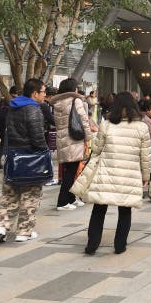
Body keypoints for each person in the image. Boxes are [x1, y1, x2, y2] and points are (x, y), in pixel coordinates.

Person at [71, 91, 151, 255]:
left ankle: (92, 245)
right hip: (129, 174)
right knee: (125, 210)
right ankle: (120, 245)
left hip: (106, 171)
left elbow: (97, 149)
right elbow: (145, 156)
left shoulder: (106, 124)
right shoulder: (142, 127)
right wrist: (145, 176)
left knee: (99, 209)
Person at [0, 78, 48, 243]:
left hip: (12, 158)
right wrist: (44, 153)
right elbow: (38, 137)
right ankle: (24, 232)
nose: (45, 96)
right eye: (43, 92)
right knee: (29, 196)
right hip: (29, 159)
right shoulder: (33, 109)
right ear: (35, 93)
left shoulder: (13, 107)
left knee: (9, 194)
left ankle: (2, 227)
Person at [51, 78, 96, 211]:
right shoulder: (75, 100)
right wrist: (88, 137)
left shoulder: (58, 102)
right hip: (74, 140)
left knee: (69, 170)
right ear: (73, 89)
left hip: (63, 139)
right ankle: (62, 202)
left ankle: (70, 199)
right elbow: (83, 120)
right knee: (71, 172)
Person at [0, 86, 19, 169]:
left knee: (4, 142)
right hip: (7, 126)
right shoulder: (12, 101)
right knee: (6, 143)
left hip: (1, 125)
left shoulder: (2, 100)